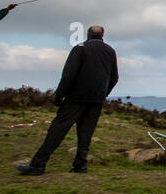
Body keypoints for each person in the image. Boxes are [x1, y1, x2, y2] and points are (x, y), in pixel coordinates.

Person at [17, 25, 118, 175]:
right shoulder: (110, 51)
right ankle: (80, 165)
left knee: (57, 130)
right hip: (96, 100)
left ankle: (38, 164)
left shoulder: (80, 48)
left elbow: (68, 74)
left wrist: (59, 95)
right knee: (86, 133)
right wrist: (103, 94)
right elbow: (114, 77)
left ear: (88, 34)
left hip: (76, 97)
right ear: (102, 35)